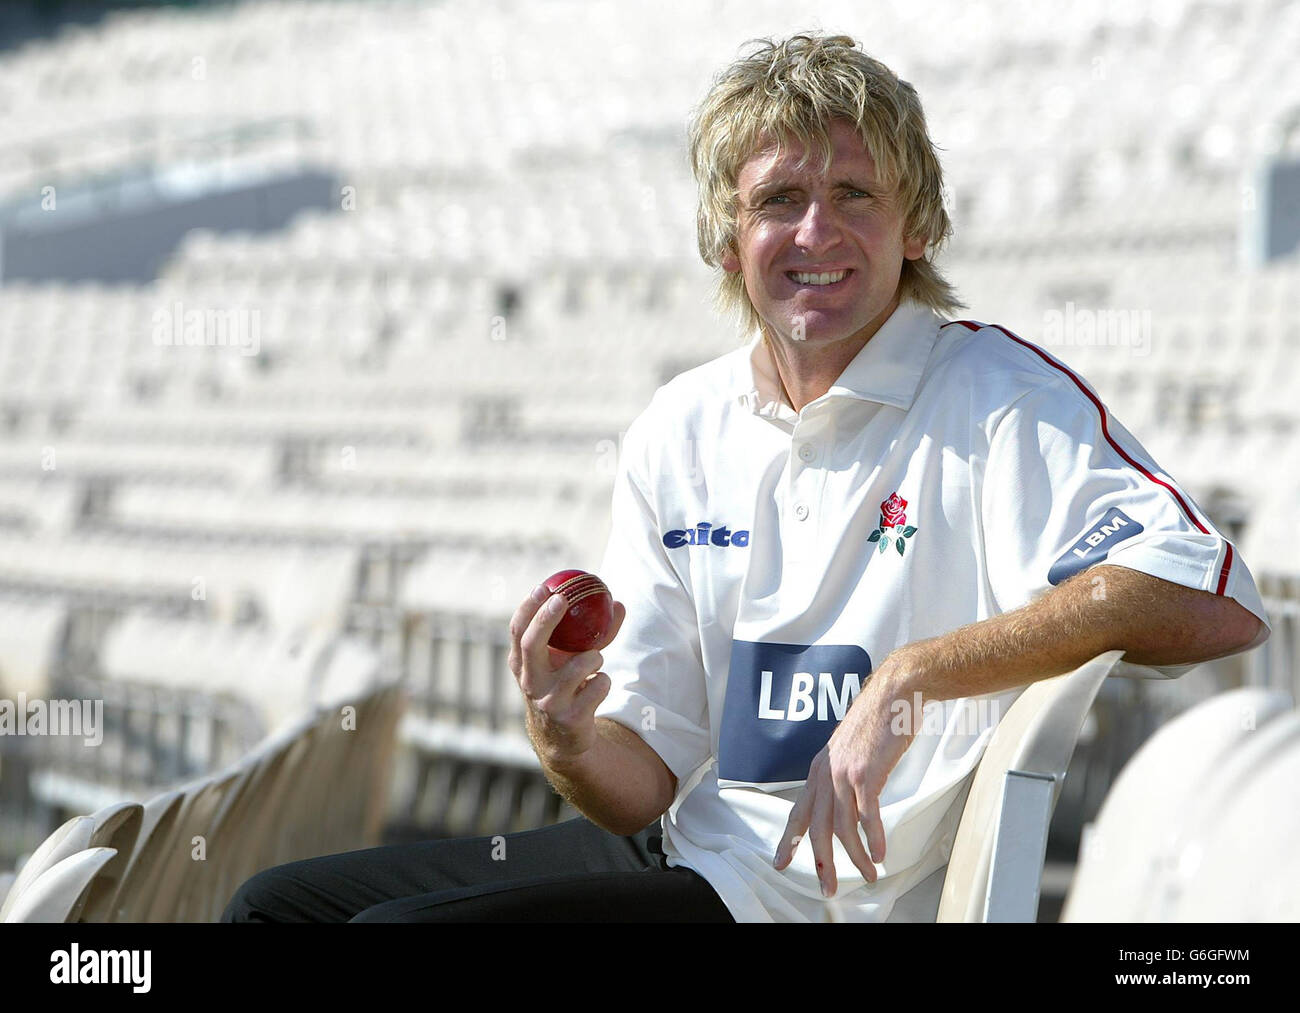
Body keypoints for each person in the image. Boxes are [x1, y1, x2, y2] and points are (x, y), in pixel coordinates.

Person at [223, 32, 1269, 924]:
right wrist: (564, 731)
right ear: (727, 241)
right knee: (272, 907)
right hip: (686, 859)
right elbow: (637, 788)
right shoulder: (680, 426)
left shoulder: (998, 398)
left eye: (852, 192)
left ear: (917, 226)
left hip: (807, 903)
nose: (814, 232)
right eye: (779, 200)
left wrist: (912, 670)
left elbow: (1214, 603)